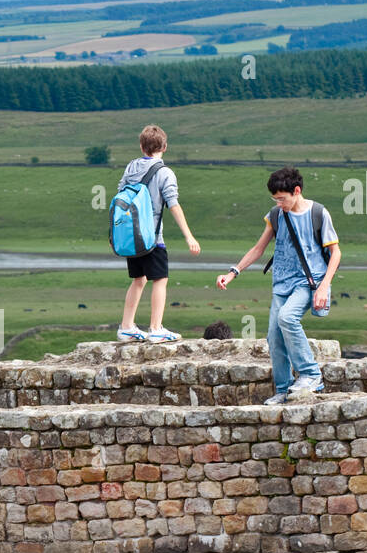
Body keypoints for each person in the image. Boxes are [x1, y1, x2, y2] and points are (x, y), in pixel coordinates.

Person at [215, 166, 340, 404]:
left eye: (282, 199)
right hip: (281, 283)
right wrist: (233, 273)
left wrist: (324, 287)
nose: (279, 203)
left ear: (296, 191)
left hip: (308, 280)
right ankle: (283, 390)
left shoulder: (318, 213)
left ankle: (311, 374)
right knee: (274, 336)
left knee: (287, 318)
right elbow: (258, 248)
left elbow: (336, 253)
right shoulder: (275, 215)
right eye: (275, 199)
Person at [116, 125, 200, 342]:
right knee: (160, 280)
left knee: (138, 280)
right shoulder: (165, 173)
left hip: (132, 237)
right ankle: (155, 328)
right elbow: (173, 204)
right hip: (152, 238)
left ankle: (126, 326)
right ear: (165, 146)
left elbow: (120, 194)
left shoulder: (131, 167)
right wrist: (189, 236)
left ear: (141, 146)